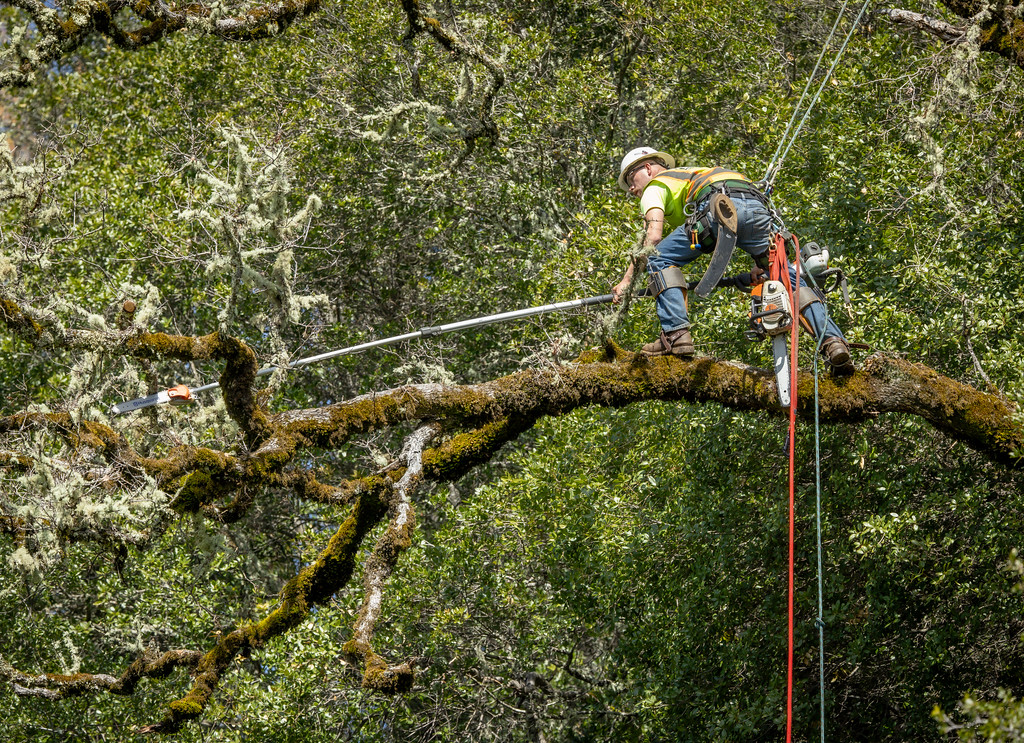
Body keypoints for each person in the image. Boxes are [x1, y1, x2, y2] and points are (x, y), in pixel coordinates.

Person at [611, 146, 854, 374]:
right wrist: (758, 266)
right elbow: (743, 211)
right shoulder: (691, 174)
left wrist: (626, 281)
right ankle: (832, 342)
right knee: (786, 278)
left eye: (631, 179)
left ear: (648, 168)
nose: (631, 189)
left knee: (657, 260)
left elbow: (652, 238)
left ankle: (675, 336)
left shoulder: (656, 185)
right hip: (756, 207)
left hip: (718, 206)